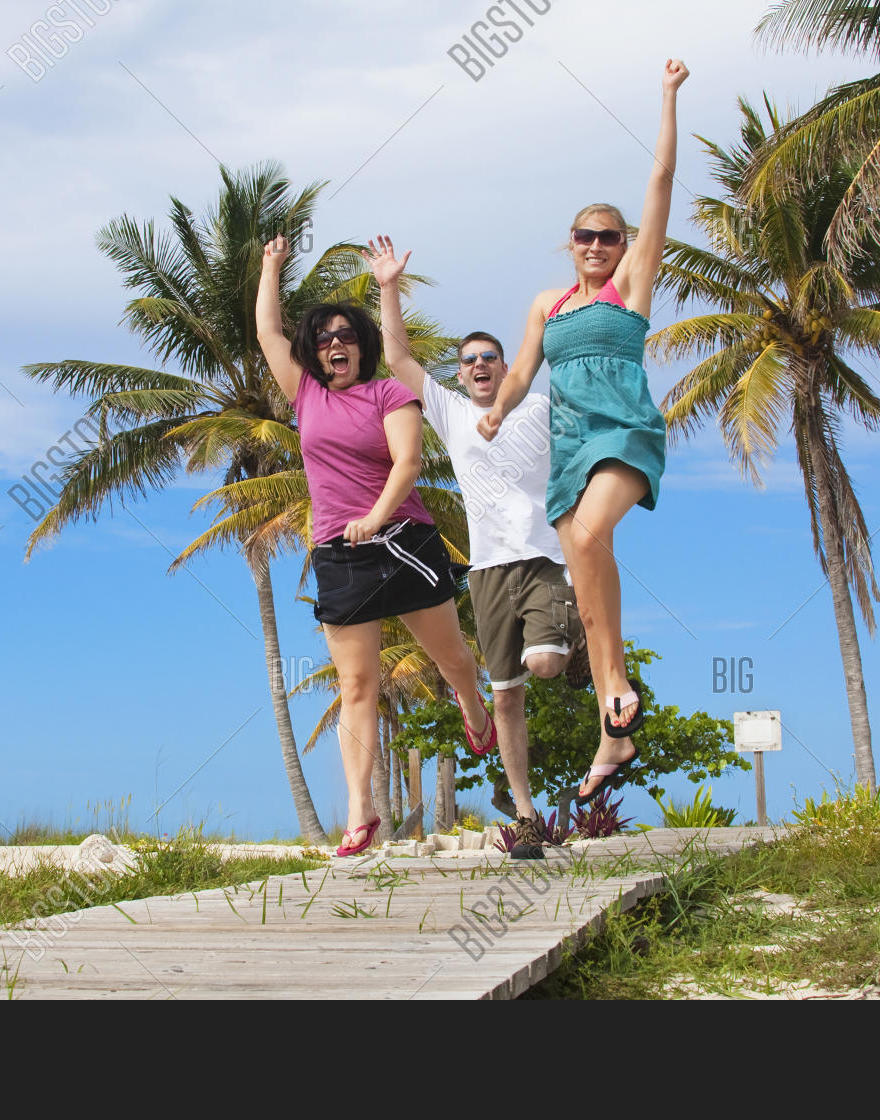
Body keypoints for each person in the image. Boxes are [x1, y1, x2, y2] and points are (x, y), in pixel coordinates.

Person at [478, 58, 689, 807]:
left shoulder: (633, 285)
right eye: (584, 236)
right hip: (570, 449)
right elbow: (521, 370)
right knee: (589, 594)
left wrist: (665, 97)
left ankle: (619, 685)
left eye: (607, 236)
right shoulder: (548, 303)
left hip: (623, 433)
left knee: (594, 538)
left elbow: (660, 182)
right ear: (569, 243)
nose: (596, 245)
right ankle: (613, 724)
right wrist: (500, 407)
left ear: (623, 242)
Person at [255, 234, 497, 857]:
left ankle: (474, 707)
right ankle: (361, 812)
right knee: (357, 686)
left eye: (348, 336)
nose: (337, 345)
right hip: (339, 554)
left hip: (402, 541)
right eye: (326, 338)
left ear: (362, 345)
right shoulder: (305, 394)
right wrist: (271, 267)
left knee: (452, 662)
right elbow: (267, 334)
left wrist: (375, 516)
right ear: (315, 351)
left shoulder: (390, 392)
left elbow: (408, 462)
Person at [367, 236, 583, 860]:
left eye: (491, 356)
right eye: (470, 360)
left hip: (543, 557)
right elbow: (400, 358)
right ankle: (526, 815)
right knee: (507, 694)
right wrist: (388, 286)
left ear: (507, 364)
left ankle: (577, 645)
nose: (482, 366)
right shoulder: (452, 413)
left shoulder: (538, 405)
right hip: (486, 571)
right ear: (460, 373)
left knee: (545, 664)